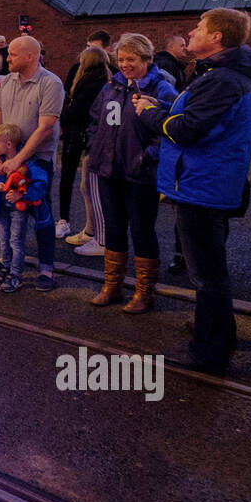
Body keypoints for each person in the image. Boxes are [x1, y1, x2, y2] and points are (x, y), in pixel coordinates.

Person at [133, 8, 251, 373]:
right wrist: (162, 108)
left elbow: (188, 129)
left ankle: (211, 350)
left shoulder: (221, 79)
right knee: (209, 269)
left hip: (203, 186)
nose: (192, 31)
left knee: (206, 274)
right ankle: (218, 331)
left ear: (217, 37)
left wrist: (149, 115)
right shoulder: (224, 76)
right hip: (208, 183)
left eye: (200, 27)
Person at [86, 34, 178, 313]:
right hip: (109, 169)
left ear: (147, 60)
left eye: (131, 60)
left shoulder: (163, 90)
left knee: (141, 229)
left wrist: (146, 156)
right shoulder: (110, 87)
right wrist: (96, 146)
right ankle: (112, 285)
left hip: (141, 174)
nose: (125, 64)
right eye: (121, 59)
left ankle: (144, 292)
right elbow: (94, 120)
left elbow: (170, 129)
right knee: (113, 227)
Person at [0, 35, 65, 291]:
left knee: (41, 214)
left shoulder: (50, 83)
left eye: (12, 54)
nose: (6, 58)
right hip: (6, 160)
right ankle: (9, 263)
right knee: (7, 213)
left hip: (37, 162)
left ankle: (46, 269)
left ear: (30, 56)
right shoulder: (5, 83)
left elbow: (46, 128)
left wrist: (19, 159)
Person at [0, 122, 49, 293]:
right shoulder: (0, 162)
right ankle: (6, 267)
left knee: (15, 242)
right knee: (4, 240)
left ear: (8, 144)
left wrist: (22, 195)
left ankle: (16, 275)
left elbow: (41, 184)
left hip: (18, 209)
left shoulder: (28, 164)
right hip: (2, 208)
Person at [57, 47, 109, 241]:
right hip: (94, 137)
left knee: (82, 184)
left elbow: (75, 112)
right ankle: (92, 229)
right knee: (90, 185)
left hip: (82, 136)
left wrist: (65, 110)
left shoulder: (89, 84)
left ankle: (91, 231)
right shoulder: (107, 81)